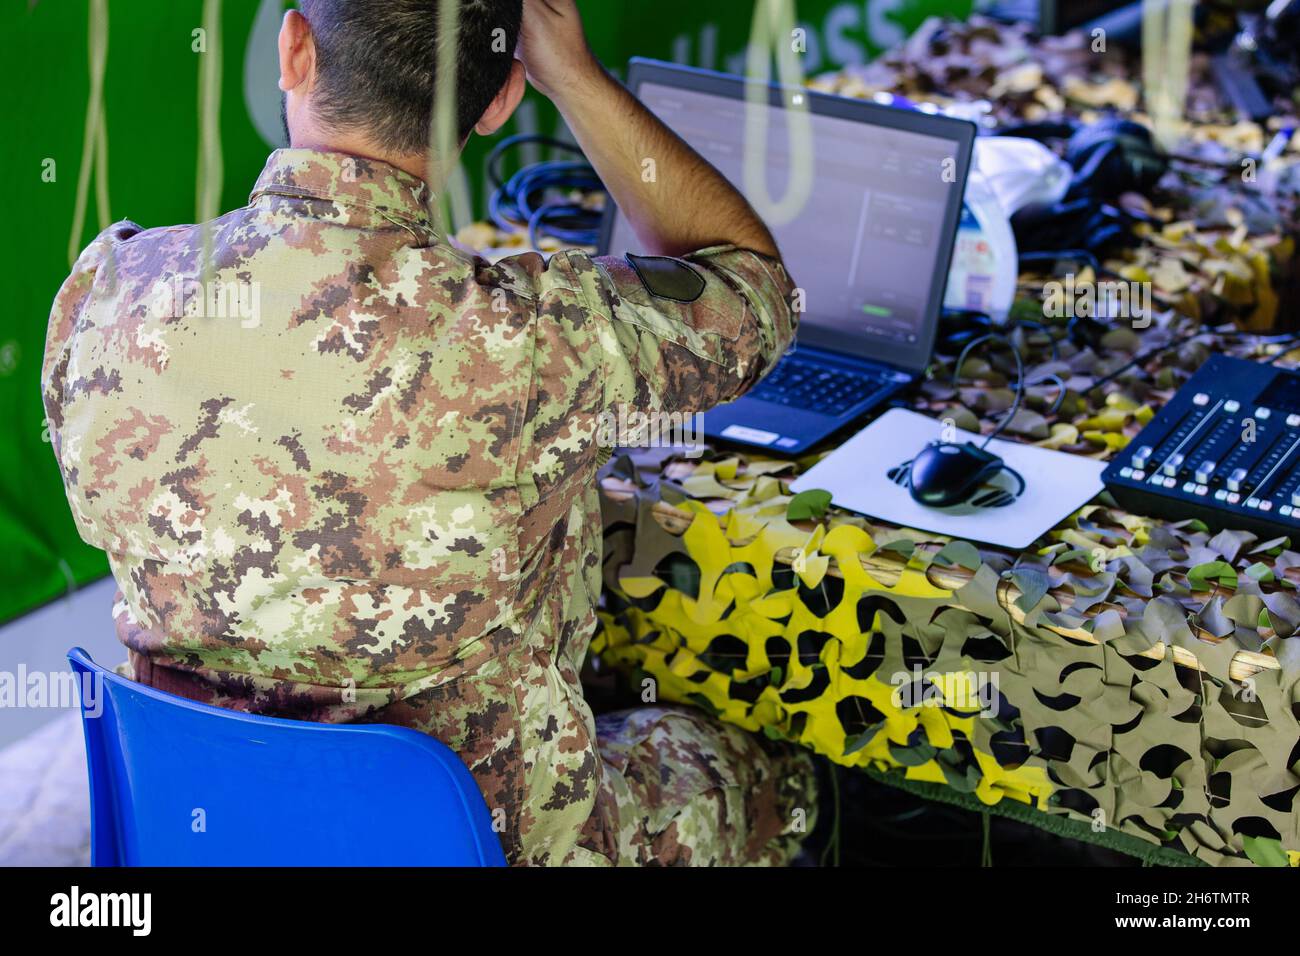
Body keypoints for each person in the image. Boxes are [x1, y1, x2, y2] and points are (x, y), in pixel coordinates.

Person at [41, 0, 815, 865]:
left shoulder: (107, 290)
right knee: (757, 767)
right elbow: (753, 289)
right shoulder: (540, 336)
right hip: (496, 843)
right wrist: (574, 76)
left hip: (208, 825)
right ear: (497, 105)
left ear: (294, 48)